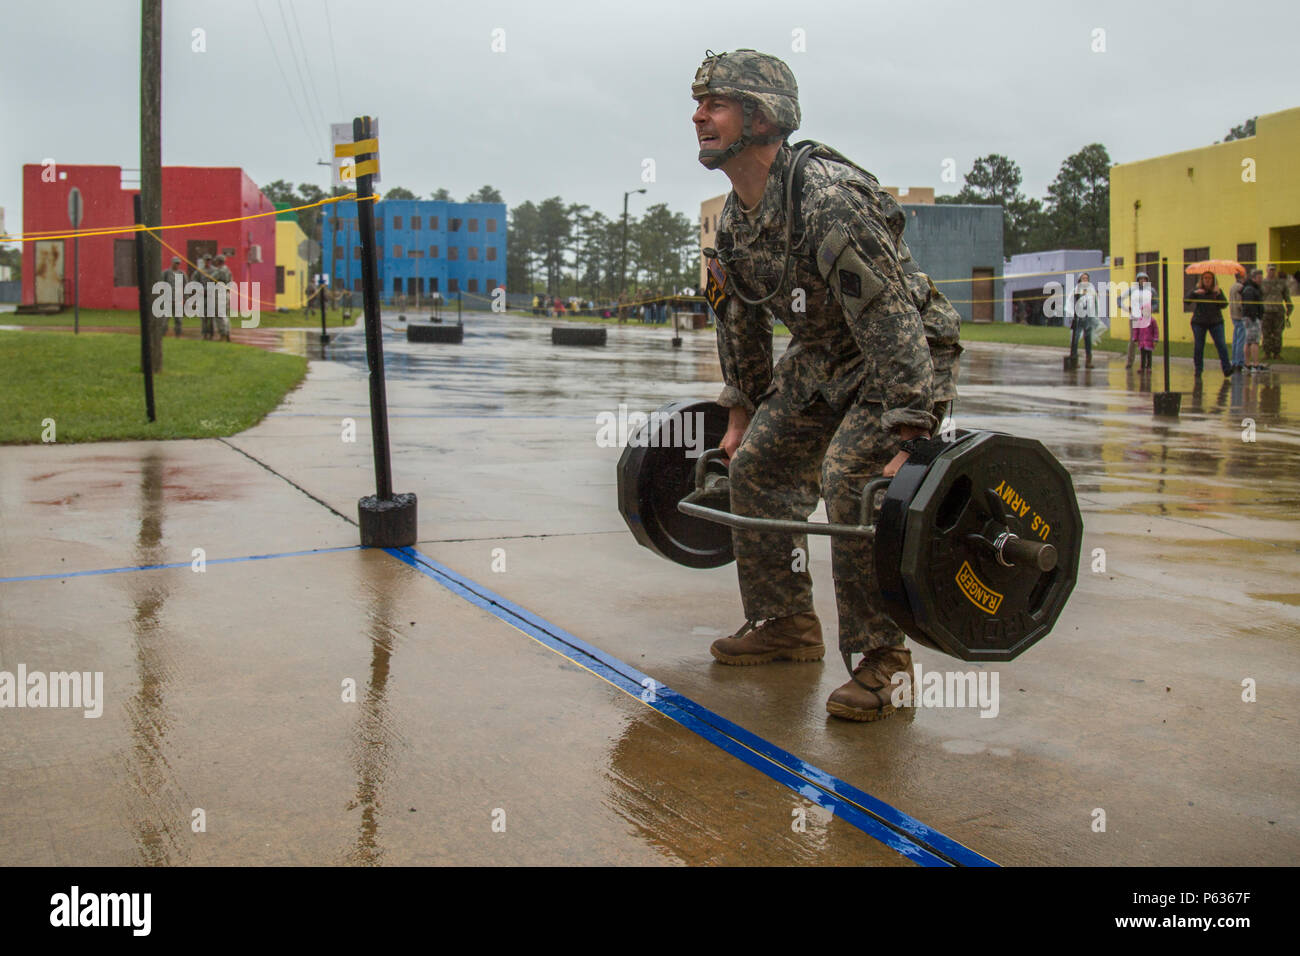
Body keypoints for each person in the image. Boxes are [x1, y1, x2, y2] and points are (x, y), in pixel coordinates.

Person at [692, 49, 958, 722]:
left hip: (901, 356)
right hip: (825, 356)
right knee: (757, 467)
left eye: (715, 104)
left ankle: (883, 664)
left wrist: (909, 432)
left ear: (759, 116)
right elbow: (739, 322)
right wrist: (741, 411)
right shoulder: (734, 219)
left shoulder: (827, 197)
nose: (698, 117)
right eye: (699, 104)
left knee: (853, 480)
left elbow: (892, 317)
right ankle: (785, 623)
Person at [1186, 271, 1232, 378]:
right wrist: (1195, 293)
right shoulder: (1197, 291)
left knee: (1221, 345)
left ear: (1213, 280)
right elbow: (1186, 300)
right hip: (1199, 322)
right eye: (1205, 278)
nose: (1207, 280)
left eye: (1209, 278)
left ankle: (1226, 368)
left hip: (1215, 322)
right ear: (1202, 280)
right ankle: (1198, 369)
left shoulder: (1217, 291)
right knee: (1199, 346)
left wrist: (1218, 294)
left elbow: (1224, 305)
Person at [1259, 263, 1293, 361]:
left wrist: (1289, 309)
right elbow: (1258, 298)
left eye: (1273, 270)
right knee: (1266, 333)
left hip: (1278, 312)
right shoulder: (1262, 283)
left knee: (1278, 333)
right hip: (1266, 312)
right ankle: (1267, 353)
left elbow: (1287, 297)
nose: (1272, 271)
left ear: (1276, 271)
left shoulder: (1281, 283)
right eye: (1270, 269)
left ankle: (1277, 353)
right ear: (1267, 270)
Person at [1068, 272, 1097, 368]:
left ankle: (1088, 361)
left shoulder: (1091, 290)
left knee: (1088, 339)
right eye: (1083, 278)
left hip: (1088, 317)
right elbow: (1069, 303)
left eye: (1086, 278)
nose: (1085, 280)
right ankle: (1074, 359)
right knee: (1075, 339)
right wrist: (1072, 315)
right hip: (1078, 318)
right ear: (1079, 280)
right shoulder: (1075, 290)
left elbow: (1095, 303)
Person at [1125, 272, 1153, 369]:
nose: (1142, 281)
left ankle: (1146, 364)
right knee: (1133, 340)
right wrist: (1126, 308)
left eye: (1144, 279)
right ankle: (1129, 362)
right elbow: (1119, 299)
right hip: (1134, 318)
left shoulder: (1151, 290)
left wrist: (1150, 309)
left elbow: (1156, 303)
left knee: (1146, 340)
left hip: (1145, 318)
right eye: (1140, 279)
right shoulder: (1132, 290)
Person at [1240, 269, 1266, 371]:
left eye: (1261, 277)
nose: (1261, 280)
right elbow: (1248, 305)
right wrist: (1255, 317)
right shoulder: (1250, 290)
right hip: (1252, 318)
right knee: (1254, 341)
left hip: (1249, 317)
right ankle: (1255, 364)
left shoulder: (1252, 288)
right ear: (1253, 278)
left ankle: (1247, 364)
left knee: (1248, 341)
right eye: (1259, 278)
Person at [159, 256, 187, 337]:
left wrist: (186, 299)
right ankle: (162, 334)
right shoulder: (166, 273)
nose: (177, 265)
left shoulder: (182, 274)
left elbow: (186, 286)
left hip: (177, 300)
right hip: (167, 300)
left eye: (178, 263)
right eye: (176, 263)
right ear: (172, 263)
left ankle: (178, 335)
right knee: (165, 319)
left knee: (178, 320)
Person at [210, 254, 234, 342]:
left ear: (218, 261)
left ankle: (223, 334)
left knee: (219, 315)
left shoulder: (220, 271)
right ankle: (227, 333)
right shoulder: (228, 271)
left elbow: (211, 278)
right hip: (226, 294)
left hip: (219, 294)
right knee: (225, 315)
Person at [1228, 268, 1247, 373]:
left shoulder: (1232, 287)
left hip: (1233, 315)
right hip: (1240, 315)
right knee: (1241, 339)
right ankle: (1239, 361)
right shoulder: (1240, 287)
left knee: (1236, 338)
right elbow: (1240, 303)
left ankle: (1234, 360)